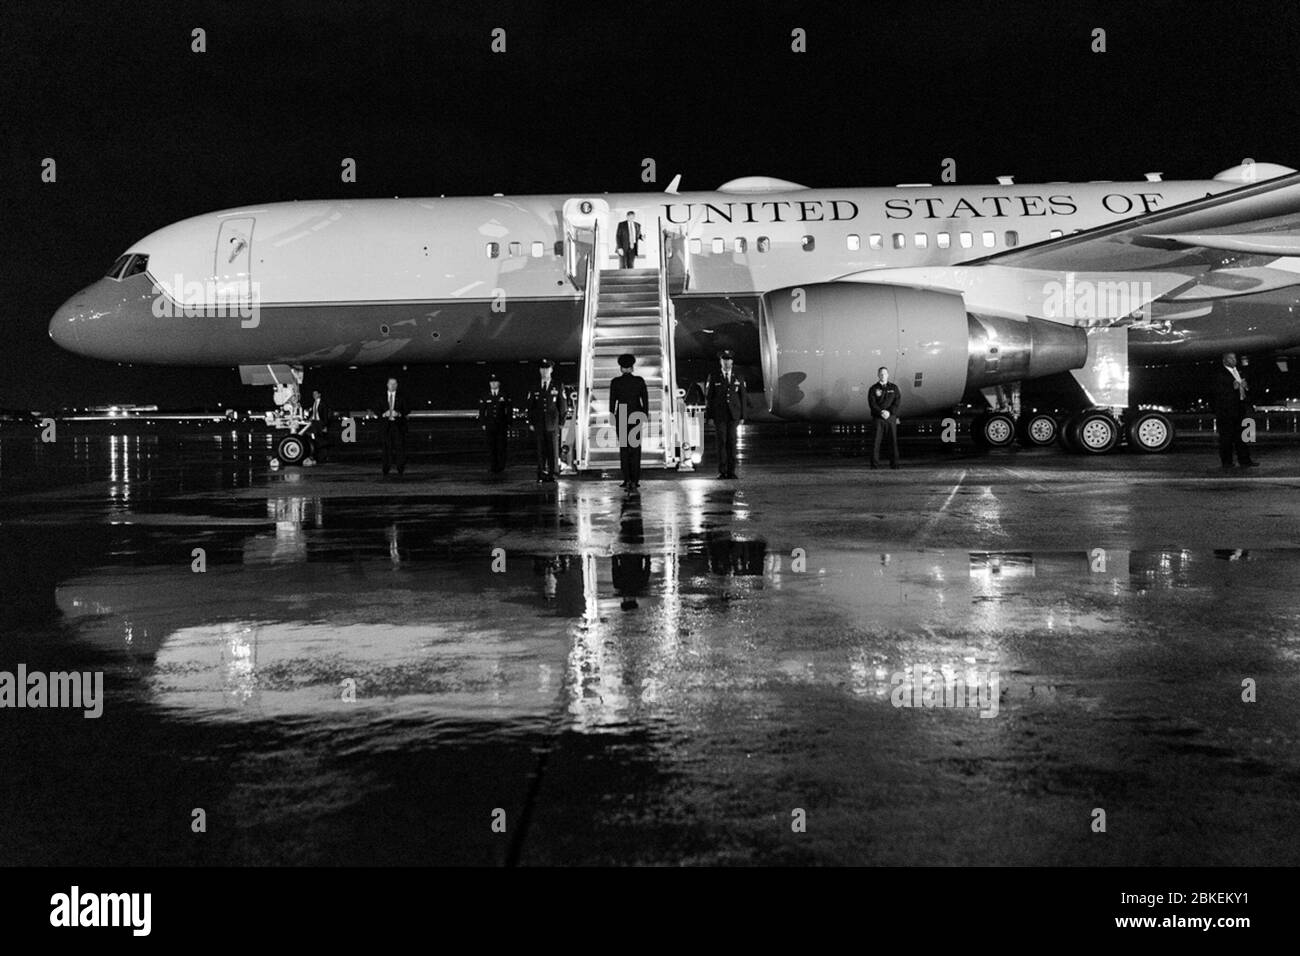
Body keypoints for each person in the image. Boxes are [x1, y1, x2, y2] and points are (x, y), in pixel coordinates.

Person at [609, 352, 649, 492]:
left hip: (622, 414)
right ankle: (635, 480)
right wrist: (645, 413)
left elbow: (612, 400)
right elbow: (645, 398)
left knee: (624, 449)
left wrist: (612, 415)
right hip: (636, 414)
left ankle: (626, 479)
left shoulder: (615, 382)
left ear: (621, 368)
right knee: (636, 449)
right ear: (632, 368)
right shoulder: (639, 380)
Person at [704, 349, 745, 479]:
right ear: (720, 361)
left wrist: (743, 415)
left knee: (732, 442)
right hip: (720, 415)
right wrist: (709, 416)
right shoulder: (714, 376)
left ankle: (731, 471)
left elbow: (742, 397)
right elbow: (710, 397)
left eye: (729, 360)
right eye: (724, 360)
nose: (727, 362)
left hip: (733, 415)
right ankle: (722, 471)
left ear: (732, 361)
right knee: (721, 442)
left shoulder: (738, 376)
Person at [1212, 352, 1258, 469]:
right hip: (1226, 411)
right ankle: (1227, 462)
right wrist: (1232, 388)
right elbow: (1218, 391)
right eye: (1230, 358)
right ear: (1224, 361)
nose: (1234, 360)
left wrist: (1246, 386)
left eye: (1234, 358)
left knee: (1242, 437)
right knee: (1226, 438)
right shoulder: (1220, 373)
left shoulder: (1239, 371)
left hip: (1239, 408)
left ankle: (1245, 460)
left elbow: (1247, 388)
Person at [525, 359, 567, 483]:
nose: (544, 371)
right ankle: (541, 472)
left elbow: (562, 405)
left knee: (553, 449)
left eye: (547, 369)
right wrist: (531, 422)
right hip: (539, 422)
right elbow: (530, 406)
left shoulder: (558, 385)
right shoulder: (534, 386)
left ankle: (553, 473)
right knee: (540, 449)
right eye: (542, 369)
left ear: (551, 370)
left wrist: (561, 422)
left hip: (552, 423)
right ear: (539, 370)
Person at [478, 371, 512, 474]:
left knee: (501, 446)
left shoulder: (504, 395)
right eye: (491, 382)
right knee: (491, 446)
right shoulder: (485, 395)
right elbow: (482, 411)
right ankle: (493, 466)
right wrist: (483, 423)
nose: (493, 384)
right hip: (490, 425)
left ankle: (501, 466)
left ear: (499, 384)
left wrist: (509, 423)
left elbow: (509, 410)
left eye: (495, 382)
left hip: (501, 424)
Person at [869, 366, 901, 469]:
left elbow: (897, 402)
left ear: (888, 375)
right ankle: (874, 465)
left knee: (893, 442)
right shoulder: (873, 388)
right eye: (881, 374)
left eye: (885, 374)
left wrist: (889, 412)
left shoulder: (894, 388)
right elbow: (872, 403)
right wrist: (880, 412)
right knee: (876, 442)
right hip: (878, 419)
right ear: (878, 375)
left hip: (890, 418)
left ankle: (895, 465)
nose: (883, 376)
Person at [380, 376, 409, 477]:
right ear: (387, 385)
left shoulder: (402, 397)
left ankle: (400, 468)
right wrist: (384, 414)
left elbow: (407, 408)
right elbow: (376, 408)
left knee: (399, 448)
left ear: (397, 385)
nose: (392, 386)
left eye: (394, 384)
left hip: (398, 426)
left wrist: (399, 414)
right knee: (386, 448)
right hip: (386, 426)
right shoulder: (382, 397)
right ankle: (386, 468)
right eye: (391, 384)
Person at [304, 388, 330, 463]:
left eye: (315, 394)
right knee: (315, 438)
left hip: (320, 422)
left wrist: (325, 425)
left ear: (319, 394)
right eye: (313, 394)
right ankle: (318, 454)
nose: (314, 395)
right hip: (315, 422)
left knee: (322, 439)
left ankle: (324, 456)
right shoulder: (314, 403)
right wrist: (309, 419)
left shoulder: (323, 403)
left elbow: (325, 415)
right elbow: (314, 413)